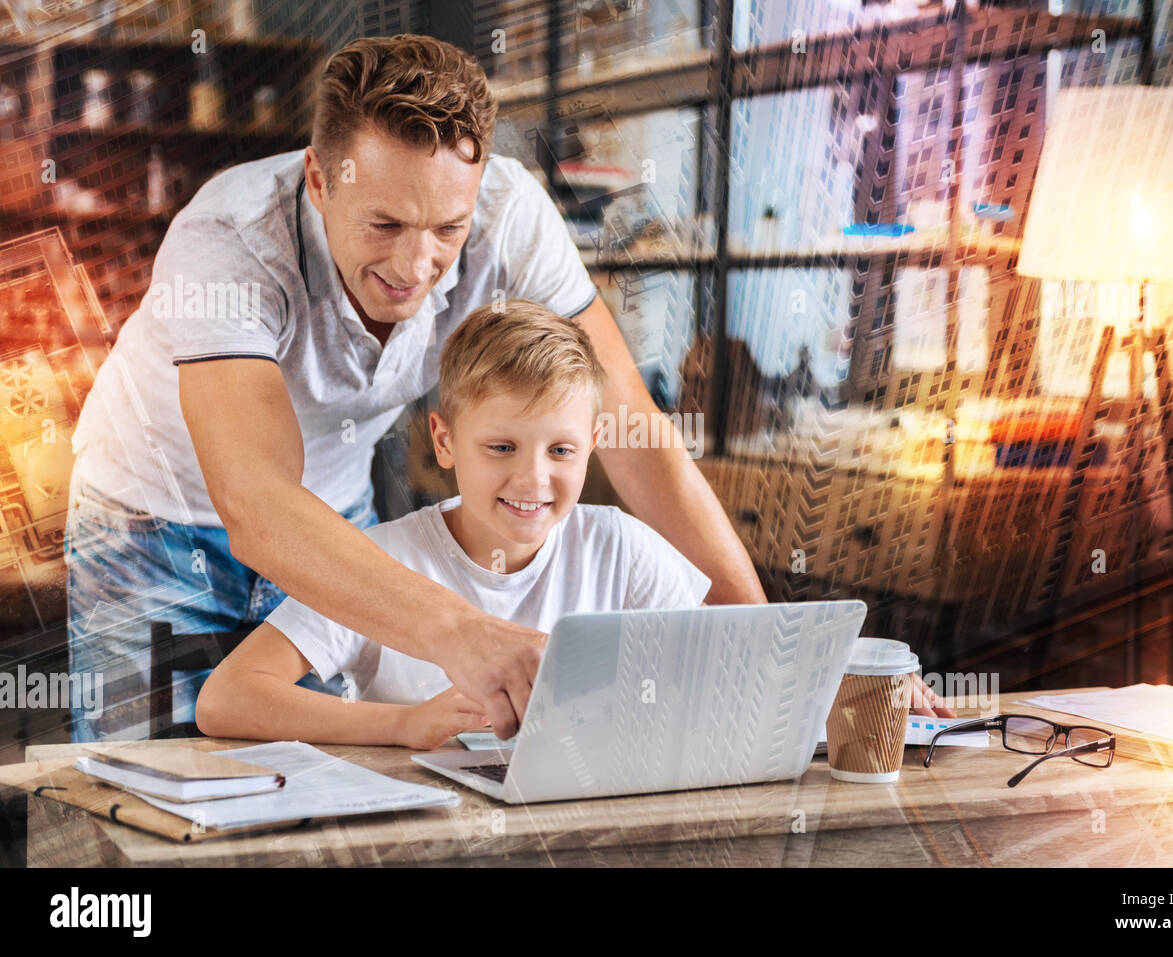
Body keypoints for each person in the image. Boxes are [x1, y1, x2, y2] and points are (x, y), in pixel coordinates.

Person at [64, 34, 763, 743]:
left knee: (314, 805)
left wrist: (766, 653)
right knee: (147, 795)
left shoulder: (512, 219)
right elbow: (255, 501)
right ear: (318, 178)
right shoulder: (230, 241)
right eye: (385, 223)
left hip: (332, 519)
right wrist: (462, 631)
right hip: (150, 527)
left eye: (446, 229)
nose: (413, 263)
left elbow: (630, 426)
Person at [195, 300, 711, 747]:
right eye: (501, 448)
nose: (533, 479)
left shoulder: (621, 548)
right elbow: (226, 698)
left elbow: (712, 674)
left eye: (561, 450)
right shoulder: (382, 559)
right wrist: (402, 724)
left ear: (592, 445)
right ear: (444, 441)